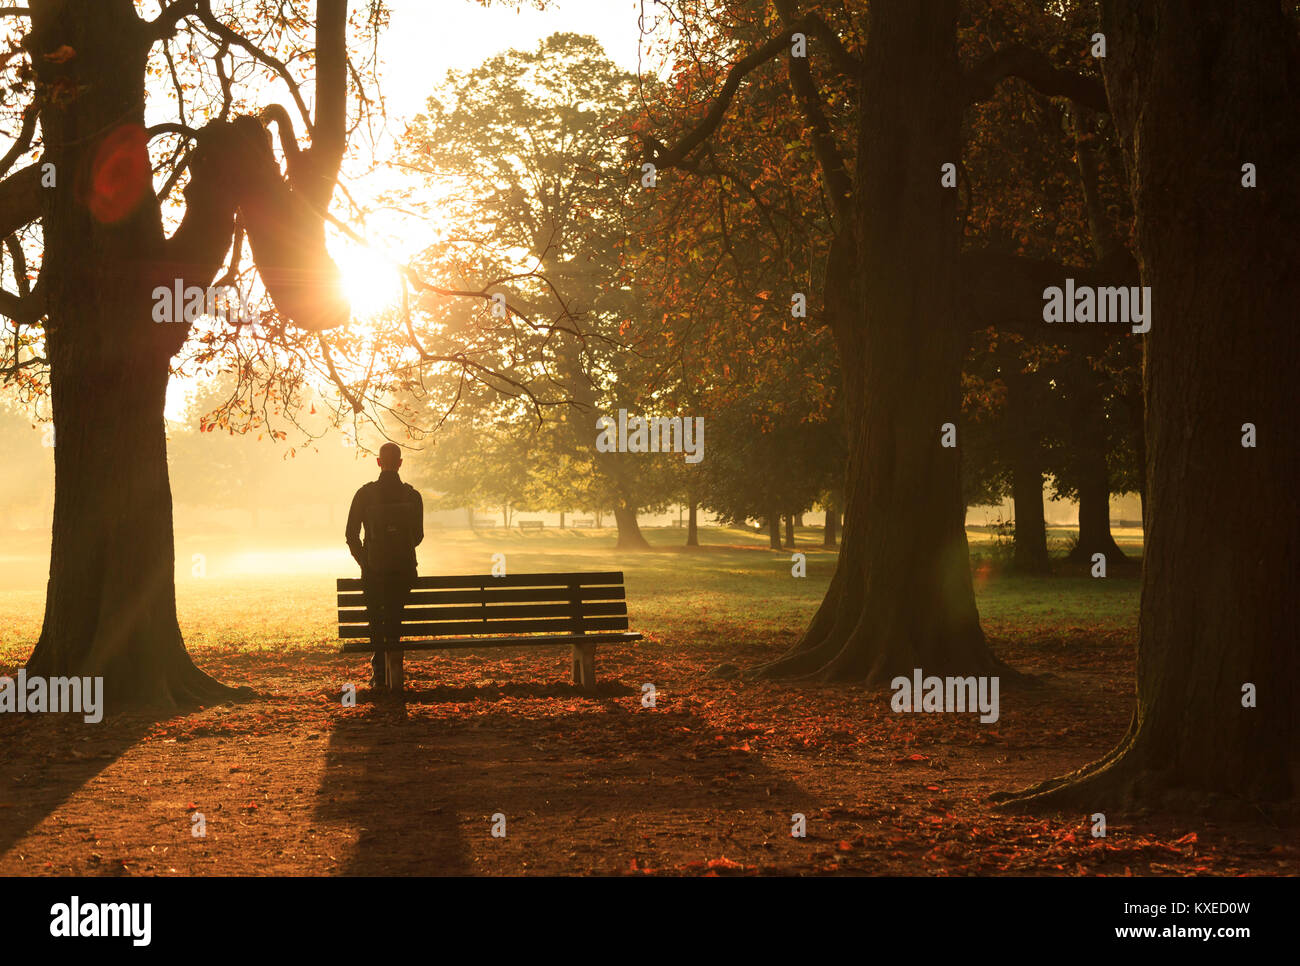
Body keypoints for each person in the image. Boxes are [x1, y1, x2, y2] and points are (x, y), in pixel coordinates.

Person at [345, 442, 424, 688]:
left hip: (374, 574)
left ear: (379, 462)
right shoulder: (412, 495)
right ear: (400, 463)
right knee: (394, 616)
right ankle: (393, 668)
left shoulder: (364, 494)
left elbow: (351, 535)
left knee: (377, 619)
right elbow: (418, 536)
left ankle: (379, 671)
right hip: (403, 573)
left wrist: (366, 562)